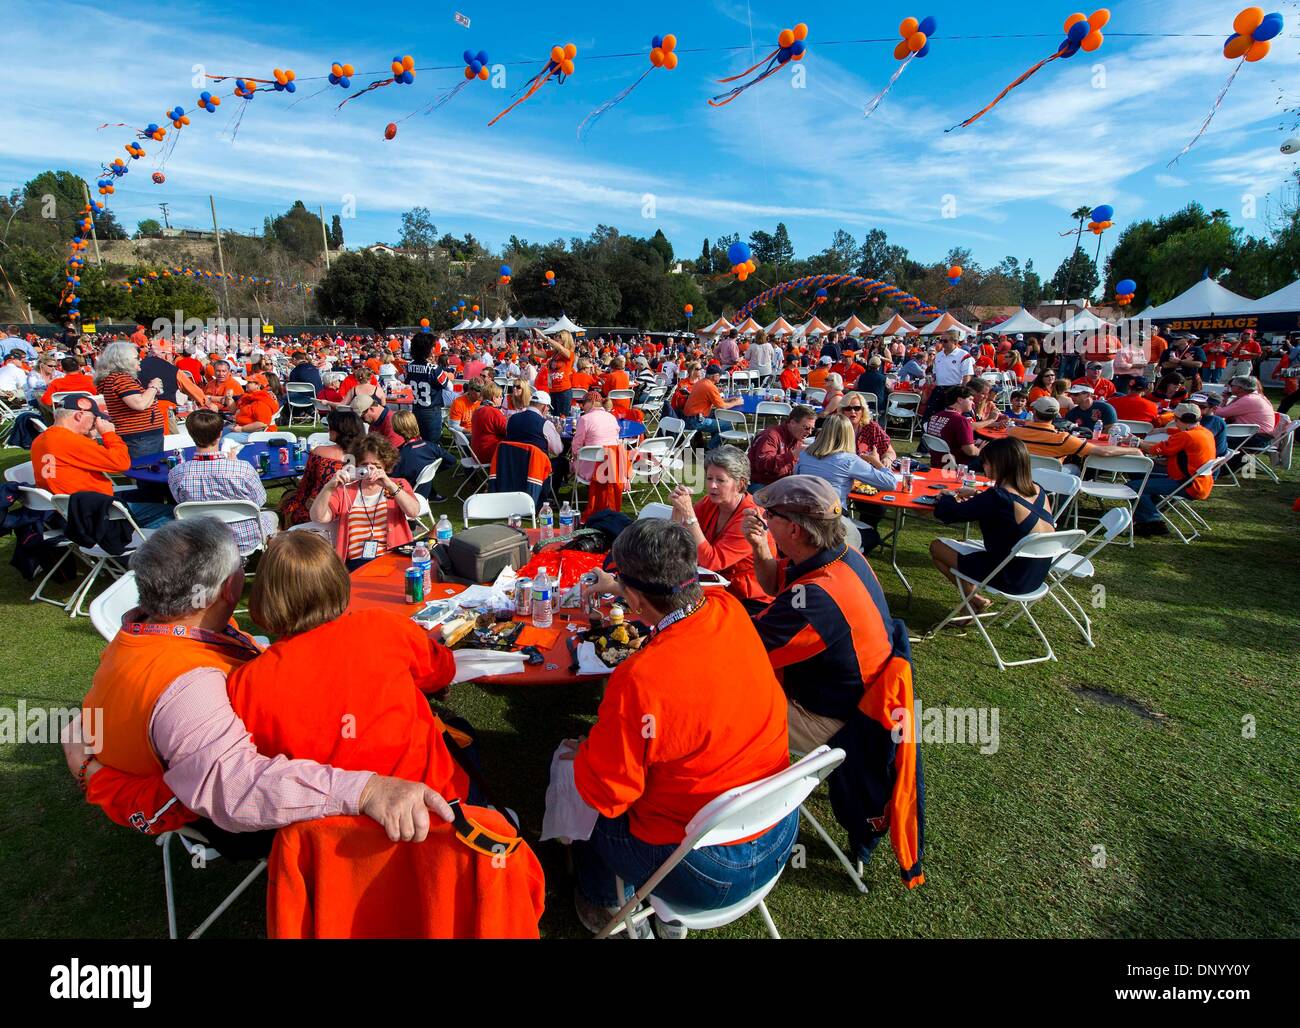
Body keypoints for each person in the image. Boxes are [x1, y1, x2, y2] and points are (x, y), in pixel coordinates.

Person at [73, 518, 454, 854]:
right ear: (229, 587)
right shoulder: (193, 689)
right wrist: (367, 791)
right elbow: (233, 790)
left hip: (146, 763)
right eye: (242, 565)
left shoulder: (146, 630)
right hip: (239, 816)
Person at [567, 519, 795, 936]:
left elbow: (608, 795)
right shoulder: (730, 611)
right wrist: (624, 588)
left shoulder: (639, 679)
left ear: (634, 596)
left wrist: (584, 752)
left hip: (705, 873)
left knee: (586, 802)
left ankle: (605, 905)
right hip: (779, 834)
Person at [228, 531, 468, 803]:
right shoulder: (383, 625)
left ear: (264, 595)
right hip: (429, 803)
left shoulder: (246, 683)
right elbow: (442, 670)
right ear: (338, 580)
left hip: (326, 829)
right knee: (463, 737)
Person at [741, 476, 895, 749]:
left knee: (717, 692)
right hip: (862, 700)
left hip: (840, 722)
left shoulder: (816, 597)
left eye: (769, 515)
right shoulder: (843, 555)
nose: (763, 519)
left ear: (794, 530)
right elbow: (774, 584)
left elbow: (744, 651)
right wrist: (760, 545)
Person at [928, 437, 1056, 612]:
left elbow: (949, 514)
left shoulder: (998, 497)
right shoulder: (1038, 490)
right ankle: (976, 600)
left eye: (986, 462)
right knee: (960, 546)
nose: (984, 466)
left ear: (999, 464)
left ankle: (972, 602)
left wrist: (946, 496)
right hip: (1035, 575)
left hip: (1008, 576)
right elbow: (1010, 504)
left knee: (937, 547)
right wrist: (977, 494)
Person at [669, 446, 774, 604]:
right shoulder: (709, 503)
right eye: (709, 478)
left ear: (740, 484)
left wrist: (689, 515)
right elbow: (675, 543)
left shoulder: (751, 518)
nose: (712, 485)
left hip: (748, 598)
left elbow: (712, 561)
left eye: (720, 480)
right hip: (712, 585)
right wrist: (678, 511)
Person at [168, 409, 278, 555]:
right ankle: (274, 558)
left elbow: (182, 503)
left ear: (190, 434)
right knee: (273, 516)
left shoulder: (177, 473)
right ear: (220, 434)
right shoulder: (242, 468)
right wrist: (235, 465)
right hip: (245, 539)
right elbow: (259, 501)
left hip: (201, 540)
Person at [309, 434, 419, 567]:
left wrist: (389, 484)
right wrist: (329, 487)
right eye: (365, 465)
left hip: (393, 560)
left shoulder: (398, 484)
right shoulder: (345, 491)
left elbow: (413, 512)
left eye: (376, 465)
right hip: (357, 563)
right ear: (357, 466)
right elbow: (318, 517)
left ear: (386, 466)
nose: (369, 469)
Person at [1133, 403, 1218, 537]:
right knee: (1139, 477)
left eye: (1175, 420)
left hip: (1187, 485)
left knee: (1132, 487)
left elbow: (1157, 450)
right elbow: (1179, 436)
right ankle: (1144, 516)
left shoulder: (1186, 437)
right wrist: (1164, 430)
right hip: (1199, 483)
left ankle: (1153, 521)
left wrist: (1137, 442)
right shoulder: (1205, 433)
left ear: (1179, 419)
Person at [280, 409, 364, 527]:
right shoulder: (365, 458)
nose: (328, 430)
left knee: (287, 501)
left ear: (339, 431)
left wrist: (292, 505)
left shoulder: (320, 453)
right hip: (351, 515)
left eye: (331, 427)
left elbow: (305, 486)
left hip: (317, 511)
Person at [1007, 397, 1130, 469]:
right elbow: (1105, 451)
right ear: (1056, 415)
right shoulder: (1064, 439)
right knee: (1075, 469)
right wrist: (1133, 450)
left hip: (1019, 476)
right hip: (1050, 479)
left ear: (1034, 411)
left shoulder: (1014, 433)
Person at [796, 414, 894, 504]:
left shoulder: (805, 454)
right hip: (831, 517)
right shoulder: (849, 460)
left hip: (803, 512)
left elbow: (795, 477)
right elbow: (890, 483)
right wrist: (875, 461)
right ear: (849, 435)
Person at [94, 340, 166, 460]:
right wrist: (153, 386)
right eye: (136, 357)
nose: (140, 360)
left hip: (140, 437)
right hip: (140, 438)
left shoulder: (115, 379)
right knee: (147, 473)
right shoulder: (121, 379)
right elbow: (140, 404)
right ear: (123, 360)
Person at [747, 405, 816, 489]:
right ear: (792, 423)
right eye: (806, 427)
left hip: (782, 481)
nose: (809, 432)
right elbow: (763, 465)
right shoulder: (770, 436)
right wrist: (793, 454)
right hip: (762, 483)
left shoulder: (797, 438)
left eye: (812, 429)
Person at [682, 363, 743, 449]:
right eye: (719, 375)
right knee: (728, 425)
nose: (720, 377)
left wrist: (729, 400)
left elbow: (715, 400)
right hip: (696, 421)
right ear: (714, 376)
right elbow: (722, 406)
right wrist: (737, 402)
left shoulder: (701, 382)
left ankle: (714, 446)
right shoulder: (710, 386)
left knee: (717, 417)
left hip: (688, 418)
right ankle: (710, 447)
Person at [390, 410, 446, 501]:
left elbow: (392, 479)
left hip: (408, 496)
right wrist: (433, 469)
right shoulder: (431, 447)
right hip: (425, 492)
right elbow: (451, 460)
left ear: (396, 430)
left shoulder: (402, 455)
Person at [924, 386, 985, 470]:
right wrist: (982, 451)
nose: (973, 403)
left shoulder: (935, 416)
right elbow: (970, 451)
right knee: (995, 455)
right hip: (957, 464)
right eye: (970, 399)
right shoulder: (961, 421)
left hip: (936, 462)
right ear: (960, 400)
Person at [571, 389, 622, 483]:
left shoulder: (584, 419)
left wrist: (574, 459)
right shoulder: (611, 417)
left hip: (591, 471)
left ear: (592, 402)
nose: (582, 406)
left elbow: (576, 447)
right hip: (612, 467)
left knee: (571, 461)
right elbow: (617, 439)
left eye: (584, 403)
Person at [1216, 375, 1276, 448]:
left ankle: (1222, 458)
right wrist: (1225, 400)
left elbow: (1220, 413)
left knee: (1214, 438)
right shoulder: (1253, 397)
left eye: (1232, 385)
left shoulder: (1248, 400)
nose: (1229, 387)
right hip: (1257, 436)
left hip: (1256, 438)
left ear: (1240, 388)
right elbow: (1224, 412)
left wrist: (1211, 405)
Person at [840, 392, 896, 463]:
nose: (852, 411)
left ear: (863, 410)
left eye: (857, 408)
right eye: (848, 408)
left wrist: (887, 459)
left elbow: (890, 452)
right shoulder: (836, 427)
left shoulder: (872, 427)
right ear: (842, 411)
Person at [469, 380, 508, 464]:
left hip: (475, 452)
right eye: (500, 396)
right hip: (488, 453)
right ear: (494, 398)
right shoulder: (494, 412)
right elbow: (507, 431)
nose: (502, 398)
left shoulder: (478, 410)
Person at [1188, 392, 1228, 457]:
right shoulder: (1196, 417)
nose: (1194, 409)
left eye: (1201, 406)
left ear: (1214, 408)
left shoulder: (1214, 421)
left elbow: (1195, 439)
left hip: (1206, 461)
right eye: (1191, 405)